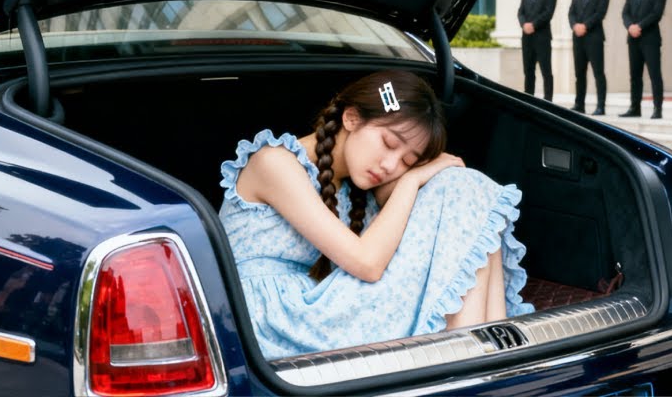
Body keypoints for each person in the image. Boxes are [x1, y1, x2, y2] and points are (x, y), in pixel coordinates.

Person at [218, 70, 533, 360]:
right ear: (352, 118)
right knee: (463, 189)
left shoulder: (356, 189)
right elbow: (367, 263)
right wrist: (412, 179)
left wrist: (423, 177)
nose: (390, 166)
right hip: (275, 320)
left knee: (468, 191)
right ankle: (477, 365)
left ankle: (490, 360)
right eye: (388, 143)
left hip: (319, 307)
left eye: (407, 161)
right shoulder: (274, 162)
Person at [620, 0, 667, 119]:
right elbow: (625, 12)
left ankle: (657, 109)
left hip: (650, 38)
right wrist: (630, 26)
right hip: (633, 39)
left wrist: (639, 26)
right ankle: (635, 107)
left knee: (654, 74)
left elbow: (656, 13)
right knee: (635, 75)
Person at [568, 0, 610, 115]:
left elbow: (600, 13)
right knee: (579, 73)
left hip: (594, 37)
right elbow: (571, 12)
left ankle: (601, 106)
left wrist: (585, 26)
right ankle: (579, 104)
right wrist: (575, 25)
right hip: (578, 38)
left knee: (598, 72)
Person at [518, 0, 557, 102]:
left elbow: (548, 13)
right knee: (528, 71)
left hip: (542, 37)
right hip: (527, 37)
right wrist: (524, 25)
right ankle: (529, 99)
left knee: (546, 71)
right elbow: (520, 12)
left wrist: (533, 25)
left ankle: (548, 100)